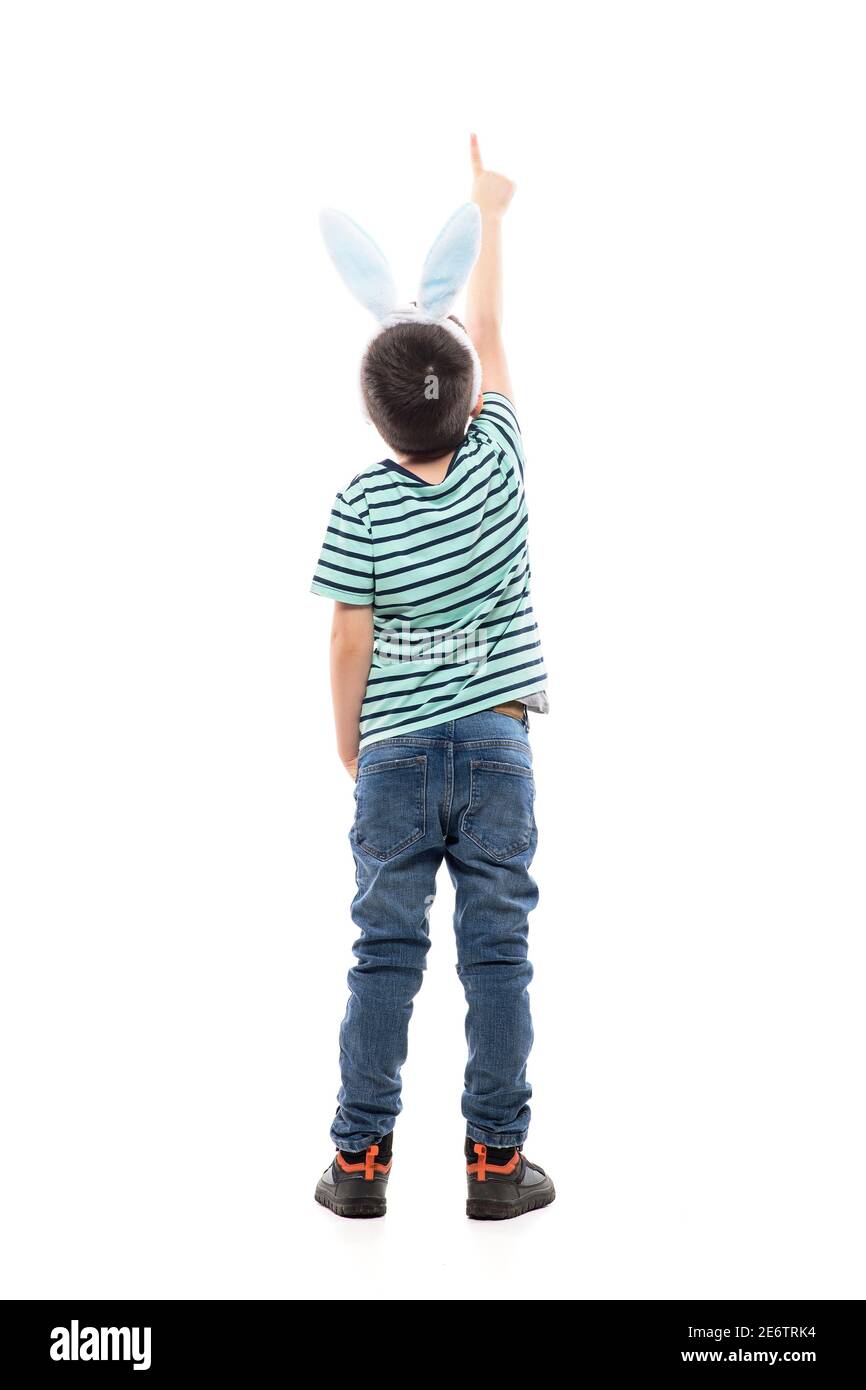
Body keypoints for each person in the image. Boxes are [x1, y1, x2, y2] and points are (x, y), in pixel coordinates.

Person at [310, 136, 555, 1220]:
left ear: (374, 413)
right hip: (497, 742)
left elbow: (346, 635)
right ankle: (495, 1169)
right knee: (497, 957)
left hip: (397, 756)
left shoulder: (359, 501)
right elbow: (490, 329)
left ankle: (358, 1167)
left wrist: (348, 737)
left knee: (383, 955)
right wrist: (487, 210)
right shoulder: (500, 452)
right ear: (463, 393)